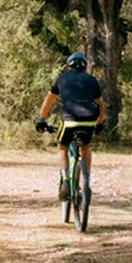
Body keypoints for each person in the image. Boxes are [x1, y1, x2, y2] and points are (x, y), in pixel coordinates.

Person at [36, 52, 105, 199]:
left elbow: (48, 102)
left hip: (69, 121)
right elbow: (101, 106)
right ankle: (86, 181)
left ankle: (65, 179)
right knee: (85, 147)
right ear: (85, 67)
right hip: (89, 121)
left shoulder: (61, 78)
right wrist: (99, 124)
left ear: (68, 67)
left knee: (62, 147)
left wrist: (41, 120)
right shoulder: (92, 80)